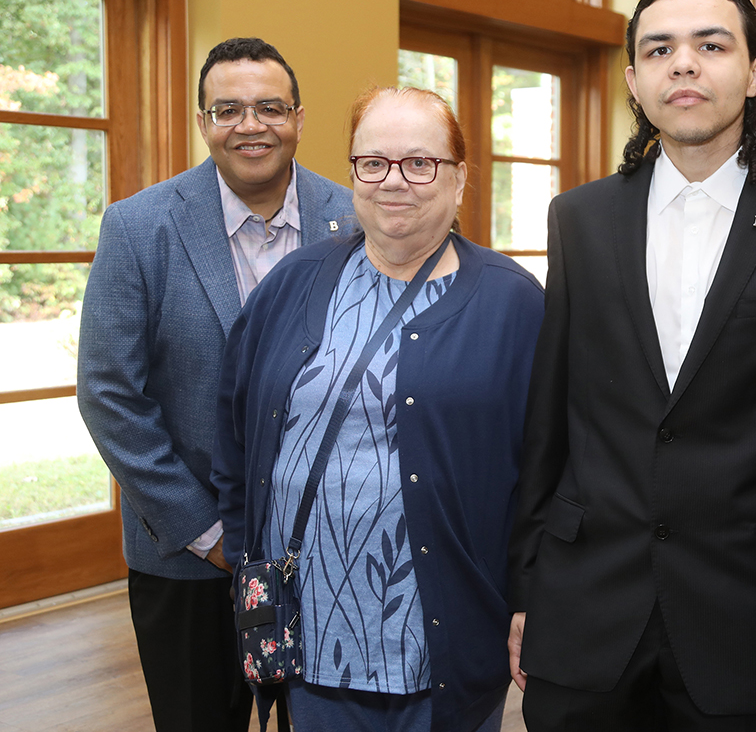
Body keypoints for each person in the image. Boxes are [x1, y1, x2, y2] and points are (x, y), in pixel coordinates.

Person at [507, 0, 756, 731]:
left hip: (748, 612)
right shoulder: (578, 218)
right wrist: (527, 585)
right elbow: (551, 414)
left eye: (709, 44)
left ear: (754, 73)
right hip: (587, 607)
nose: (682, 63)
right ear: (634, 79)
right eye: (658, 49)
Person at [210, 86, 544, 731]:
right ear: (353, 174)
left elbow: (548, 469)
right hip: (307, 629)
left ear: (459, 178)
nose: (396, 182)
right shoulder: (295, 284)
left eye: (421, 163)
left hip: (443, 631)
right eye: (374, 162)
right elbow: (236, 426)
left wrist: (531, 598)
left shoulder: (513, 304)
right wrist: (243, 541)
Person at [77, 37, 352, 732]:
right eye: (227, 109)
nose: (250, 125)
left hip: (330, 551)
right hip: (188, 557)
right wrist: (206, 532)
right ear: (203, 122)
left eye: (269, 107)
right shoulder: (139, 228)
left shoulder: (356, 220)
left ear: (298, 116)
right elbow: (110, 395)